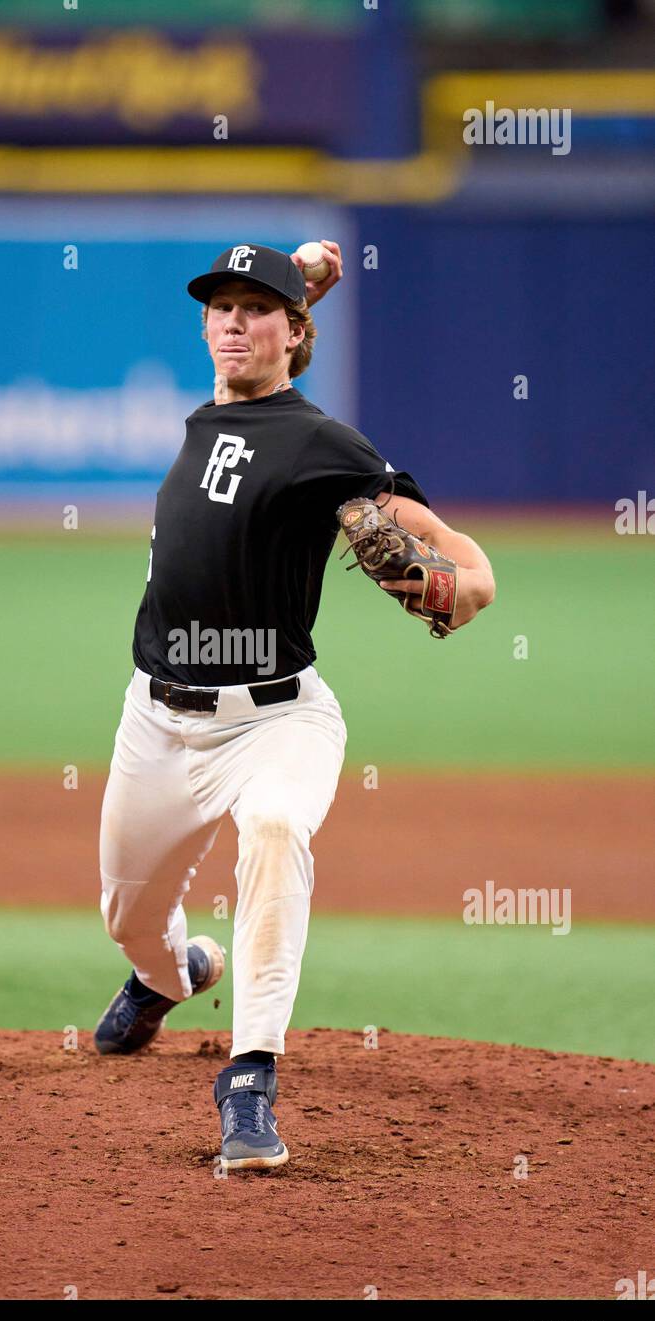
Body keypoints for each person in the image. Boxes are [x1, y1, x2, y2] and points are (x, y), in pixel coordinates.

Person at [94, 241, 495, 1171]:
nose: (233, 321)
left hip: (277, 720)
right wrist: (295, 277)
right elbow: (257, 354)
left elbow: (447, 549)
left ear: (297, 330)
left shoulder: (325, 443)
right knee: (127, 915)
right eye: (219, 308)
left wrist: (475, 583)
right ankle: (174, 976)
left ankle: (250, 1082)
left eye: (256, 309)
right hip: (154, 722)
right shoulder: (210, 413)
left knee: (275, 829)